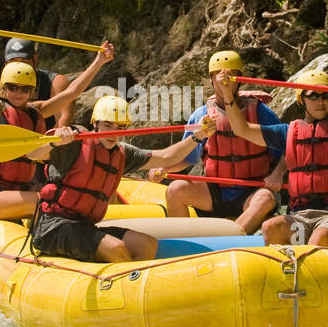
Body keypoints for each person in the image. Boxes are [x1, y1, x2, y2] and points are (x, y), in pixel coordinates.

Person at [215, 67, 328, 248]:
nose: (320, 101)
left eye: (325, 95)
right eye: (313, 95)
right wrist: (228, 94)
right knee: (270, 227)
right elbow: (241, 129)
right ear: (301, 99)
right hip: (300, 217)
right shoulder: (287, 132)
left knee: (320, 236)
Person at [31, 95, 216, 264]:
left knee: (146, 244)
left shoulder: (122, 153)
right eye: (108, 125)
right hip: (53, 227)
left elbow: (167, 157)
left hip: (85, 226)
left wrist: (197, 135)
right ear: (95, 123)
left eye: (120, 128)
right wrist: (53, 142)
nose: (113, 133)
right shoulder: (74, 144)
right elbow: (32, 153)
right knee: (116, 248)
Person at [0, 22, 115, 220]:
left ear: (32, 90)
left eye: (25, 89)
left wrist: (99, 61)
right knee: (44, 201)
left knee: (56, 197)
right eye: (13, 87)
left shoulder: (37, 111)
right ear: (3, 88)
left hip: (18, 191)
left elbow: (72, 92)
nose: (19, 93)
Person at [148, 50, 280, 233]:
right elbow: (186, 158)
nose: (225, 80)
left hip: (251, 190)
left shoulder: (261, 113)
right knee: (175, 189)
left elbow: (287, 150)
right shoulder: (201, 115)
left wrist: (277, 174)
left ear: (239, 79)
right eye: (220, 76)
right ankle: (186, 246)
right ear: (211, 79)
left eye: (232, 75)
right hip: (215, 191)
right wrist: (165, 169)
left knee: (266, 199)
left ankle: (228, 239)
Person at [2, 37, 76, 129]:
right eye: (13, 62)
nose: (19, 67)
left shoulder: (55, 82)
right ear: (5, 63)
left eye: (24, 62)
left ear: (35, 59)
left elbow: (64, 119)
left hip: (49, 139)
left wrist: (48, 143)